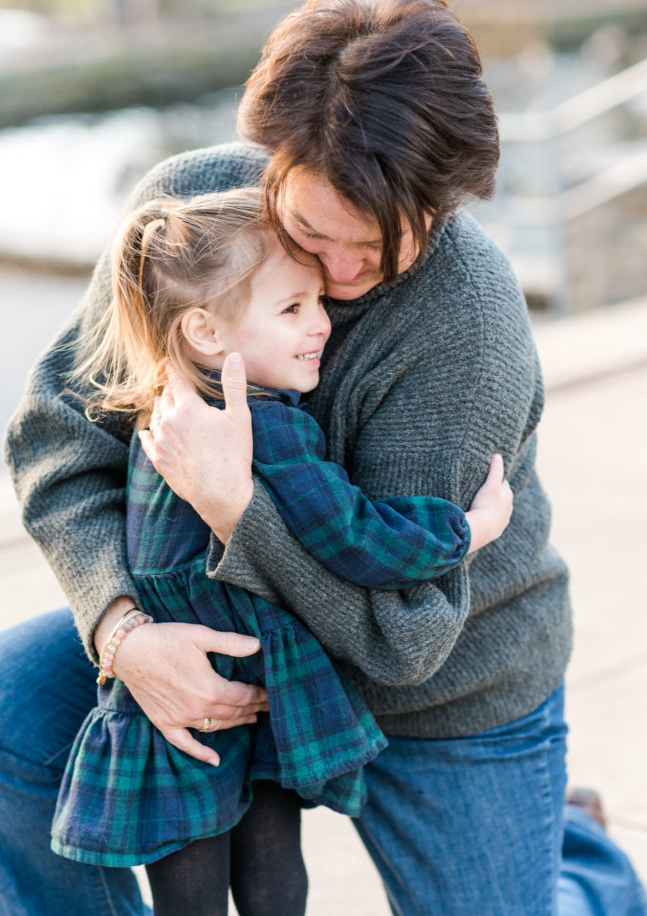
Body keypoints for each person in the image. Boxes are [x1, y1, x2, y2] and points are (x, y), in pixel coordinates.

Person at [1, 0, 647, 916]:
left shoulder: (467, 325)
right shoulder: (186, 222)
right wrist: (123, 634)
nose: (339, 278)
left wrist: (233, 509)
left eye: (379, 249)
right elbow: (57, 438)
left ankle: (576, 859)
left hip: (439, 693)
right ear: (271, 158)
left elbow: (406, 637)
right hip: (218, 640)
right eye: (311, 232)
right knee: (14, 726)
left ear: (444, 207)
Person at [50, 186, 511, 916]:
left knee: (189, 890)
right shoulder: (268, 427)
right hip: (237, 673)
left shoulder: (166, 399)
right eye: (293, 308)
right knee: (271, 876)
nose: (322, 325)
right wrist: (469, 530)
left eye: (318, 303)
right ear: (204, 329)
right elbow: (357, 538)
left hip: (206, 673)